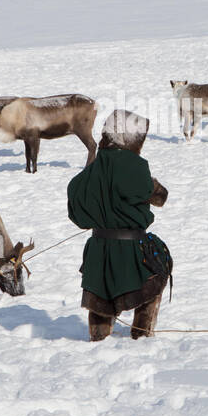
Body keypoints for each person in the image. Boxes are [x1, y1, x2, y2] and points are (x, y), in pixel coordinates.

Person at [66, 110, 169, 341]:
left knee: (100, 296)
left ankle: (98, 335)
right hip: (131, 250)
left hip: (98, 252)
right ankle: (141, 333)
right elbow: (156, 195)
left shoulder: (90, 171)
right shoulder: (135, 165)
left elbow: (77, 211)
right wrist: (154, 189)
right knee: (155, 276)